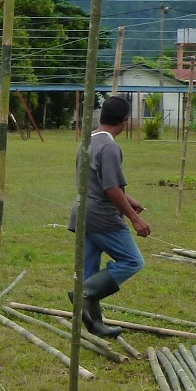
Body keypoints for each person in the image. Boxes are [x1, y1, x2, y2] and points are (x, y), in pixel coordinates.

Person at [69, 95, 150, 337]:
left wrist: (129, 200)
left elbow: (97, 183)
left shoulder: (88, 141)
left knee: (90, 272)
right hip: (102, 216)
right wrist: (135, 218)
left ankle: (95, 324)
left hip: (82, 211)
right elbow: (111, 189)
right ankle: (82, 293)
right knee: (133, 261)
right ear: (125, 121)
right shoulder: (110, 147)